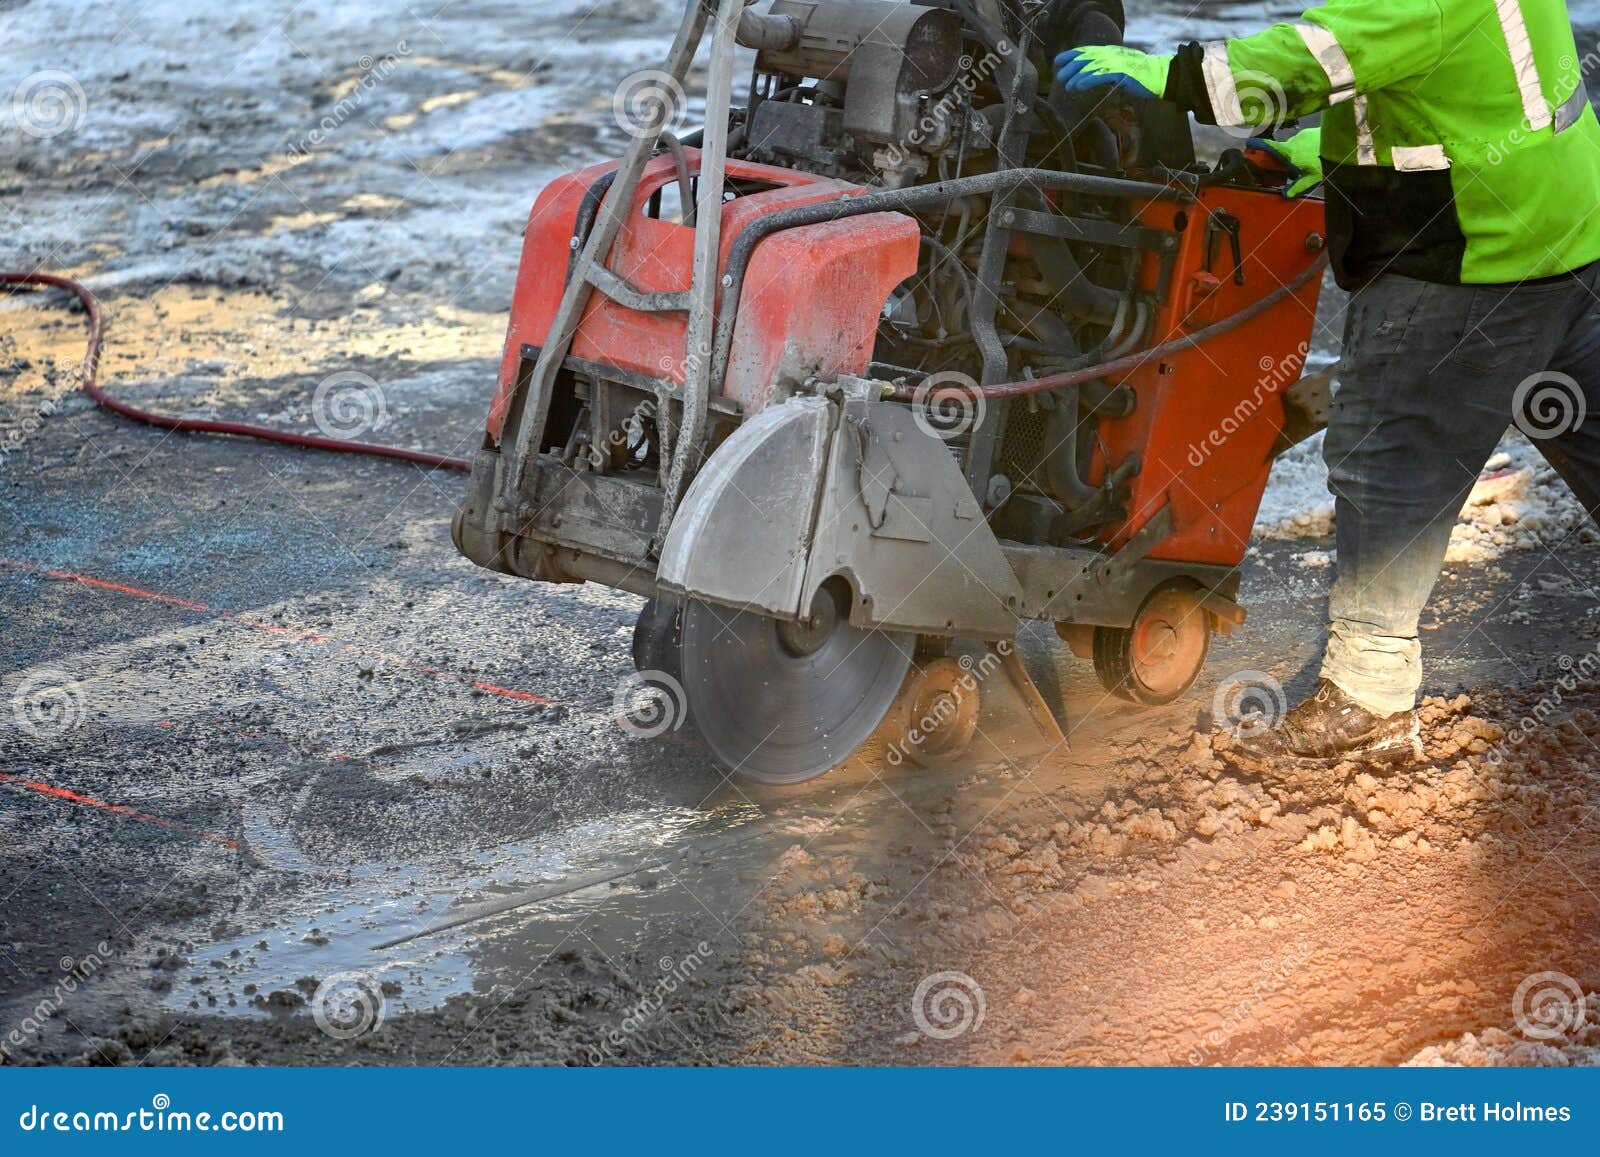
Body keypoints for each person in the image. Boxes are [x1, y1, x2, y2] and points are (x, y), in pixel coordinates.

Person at [1056, 1, 1600, 761]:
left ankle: (1369, 698)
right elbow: (1448, 74)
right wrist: (1330, 152)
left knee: (1389, 460)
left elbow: (1294, 65)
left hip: (1472, 255)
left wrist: (1161, 74)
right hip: (1566, 223)